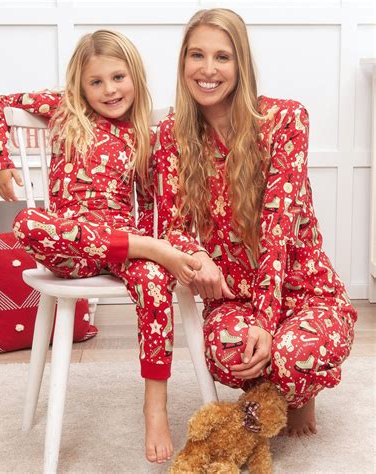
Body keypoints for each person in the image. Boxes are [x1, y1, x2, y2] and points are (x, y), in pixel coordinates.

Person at [0, 30, 201, 462]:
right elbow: (0, 107)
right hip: (70, 245)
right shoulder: (65, 111)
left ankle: (154, 405)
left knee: (156, 282)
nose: (109, 90)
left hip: (128, 247)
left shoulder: (145, 132)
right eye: (96, 82)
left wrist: (169, 241)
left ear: (134, 77)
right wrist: (0, 162)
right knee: (28, 222)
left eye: (118, 77)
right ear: (80, 88)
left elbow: (159, 204)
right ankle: (150, 249)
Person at [152, 8, 357, 437]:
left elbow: (278, 229)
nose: (208, 70)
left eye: (222, 57)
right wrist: (197, 255)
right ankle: (278, 388)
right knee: (232, 352)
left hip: (302, 290)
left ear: (240, 64)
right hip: (231, 297)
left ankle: (295, 390)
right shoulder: (170, 134)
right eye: (197, 55)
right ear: (183, 62)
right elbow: (172, 224)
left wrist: (265, 320)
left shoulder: (286, 121)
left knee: (290, 355)